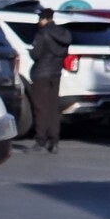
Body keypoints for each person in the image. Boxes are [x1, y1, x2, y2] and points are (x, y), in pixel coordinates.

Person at [28, 8, 72, 152]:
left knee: (41, 107)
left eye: (40, 19)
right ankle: (54, 140)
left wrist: (31, 50)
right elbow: (64, 53)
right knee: (53, 107)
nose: (39, 21)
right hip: (56, 72)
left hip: (41, 73)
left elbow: (35, 54)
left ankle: (40, 140)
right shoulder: (64, 34)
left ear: (45, 19)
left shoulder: (42, 34)